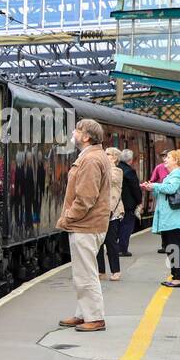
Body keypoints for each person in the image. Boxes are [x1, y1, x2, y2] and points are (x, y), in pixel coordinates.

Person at [57, 119, 111, 333]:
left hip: (86, 224)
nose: (74, 132)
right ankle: (83, 314)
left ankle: (95, 318)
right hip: (90, 224)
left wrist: (68, 218)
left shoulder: (90, 160)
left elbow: (86, 197)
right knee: (83, 271)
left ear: (86, 136)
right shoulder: (95, 156)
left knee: (86, 273)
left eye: (78, 130)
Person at [141, 149, 180, 288]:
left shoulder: (177, 173)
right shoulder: (176, 173)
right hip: (172, 218)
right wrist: (152, 188)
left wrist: (154, 185)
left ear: (176, 160)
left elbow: (171, 189)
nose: (165, 159)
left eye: (168, 157)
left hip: (173, 218)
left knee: (174, 247)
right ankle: (176, 276)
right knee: (171, 247)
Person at [97, 147, 125, 282]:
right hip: (100, 211)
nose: (104, 155)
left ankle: (116, 271)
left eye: (107, 154)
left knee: (111, 242)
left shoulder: (117, 171)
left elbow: (109, 180)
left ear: (114, 158)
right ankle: (100, 271)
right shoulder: (104, 170)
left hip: (112, 211)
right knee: (98, 243)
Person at [116, 148, 140, 257]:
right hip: (128, 205)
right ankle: (122, 249)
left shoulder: (116, 169)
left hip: (115, 204)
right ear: (130, 160)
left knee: (115, 227)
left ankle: (113, 248)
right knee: (126, 227)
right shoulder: (130, 171)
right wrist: (139, 201)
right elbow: (135, 188)